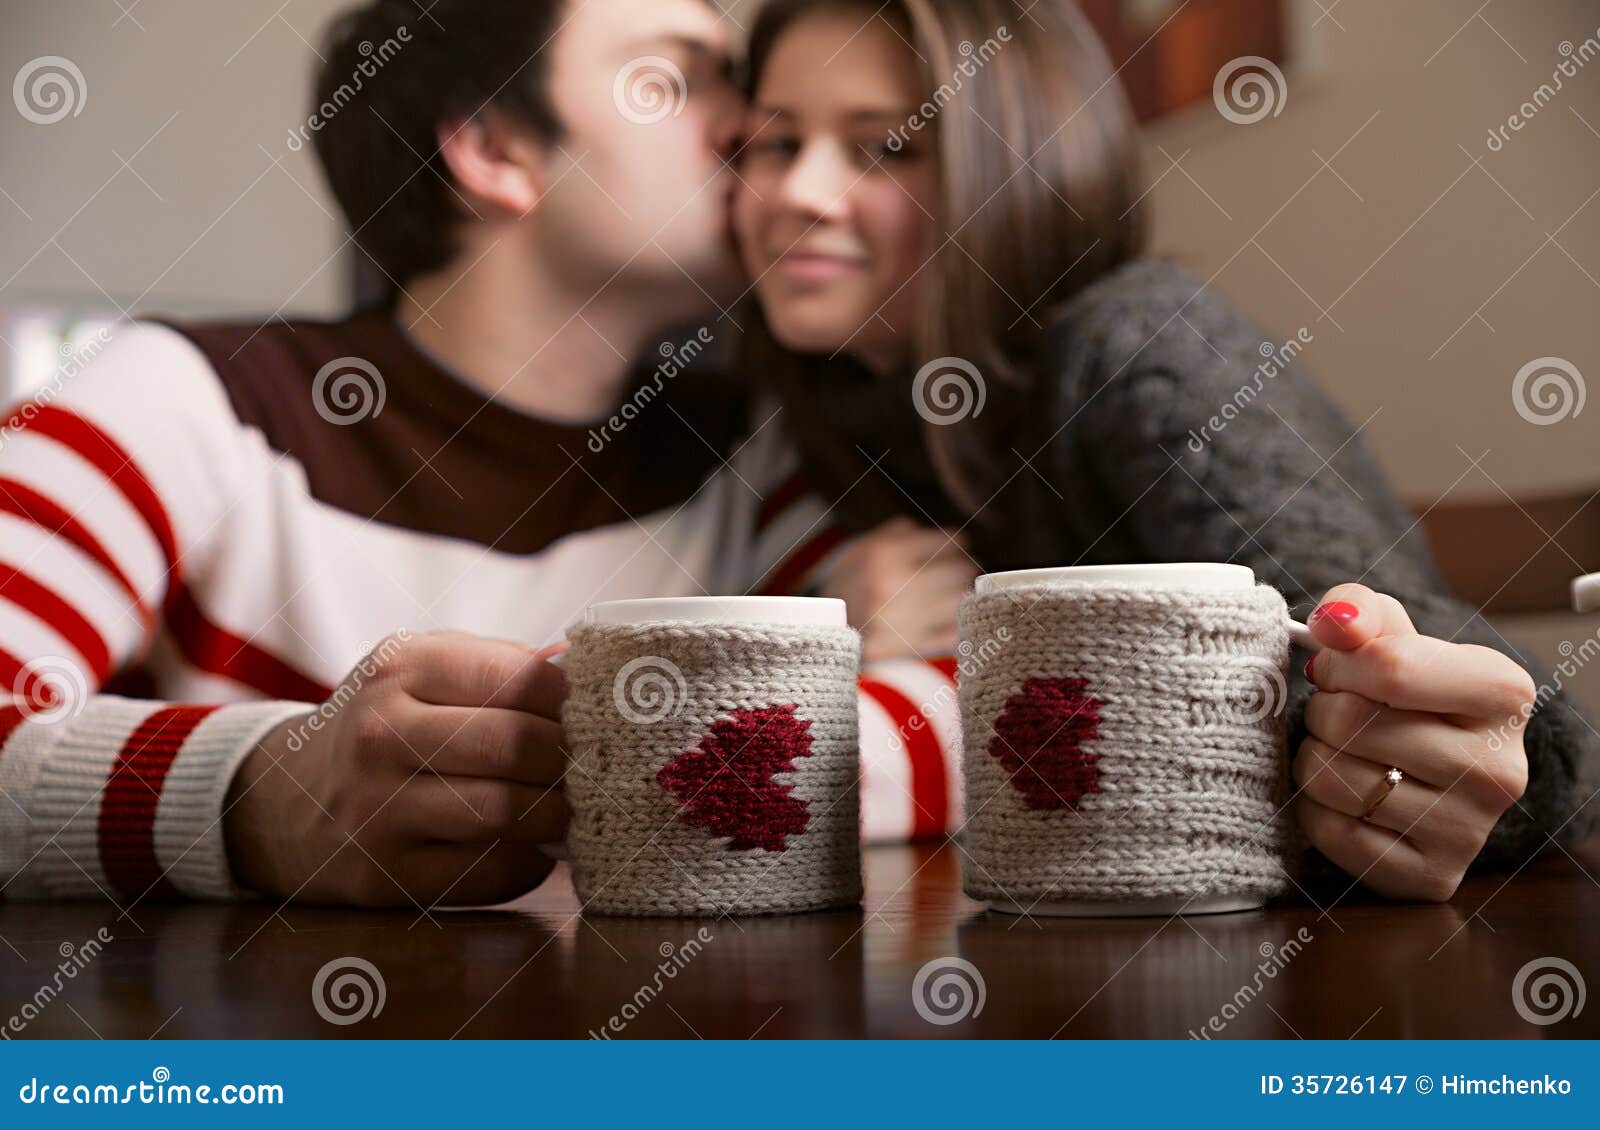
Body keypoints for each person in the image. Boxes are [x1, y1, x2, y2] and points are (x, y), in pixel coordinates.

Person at [0, 0, 956, 908]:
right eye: (671, 82)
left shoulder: (745, 451)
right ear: (495, 148)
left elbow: (996, 726)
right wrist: (258, 795)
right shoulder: (185, 398)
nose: (748, 131)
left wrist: (714, 725)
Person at [731, 0, 1598, 900]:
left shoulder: (1144, 349)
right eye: (776, 143)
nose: (799, 192)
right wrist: (827, 615)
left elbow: (1418, 656)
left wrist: (1492, 761)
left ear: (1015, 169)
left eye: (887, 147)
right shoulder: (820, 406)